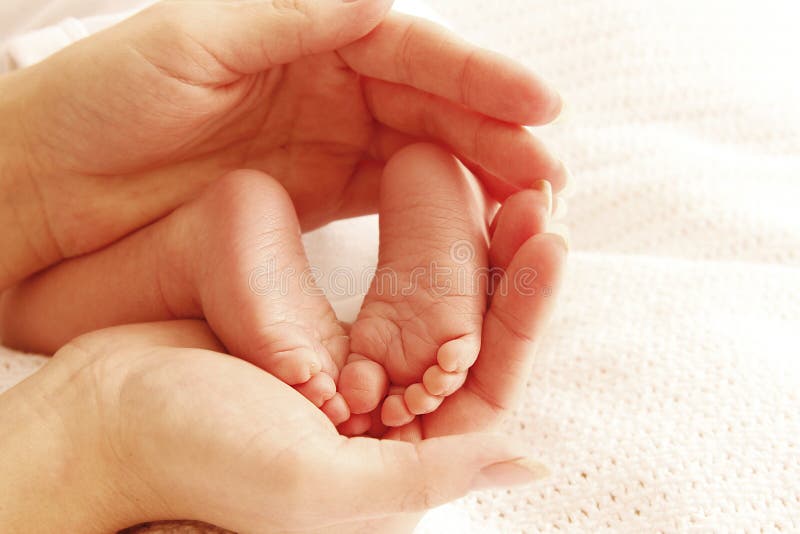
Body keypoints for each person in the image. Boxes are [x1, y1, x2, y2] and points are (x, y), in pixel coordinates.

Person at [0, 0, 568, 530]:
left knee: (16, 306)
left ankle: (206, 242)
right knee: (23, 303)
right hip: (175, 78)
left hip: (82, 75)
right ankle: (208, 242)